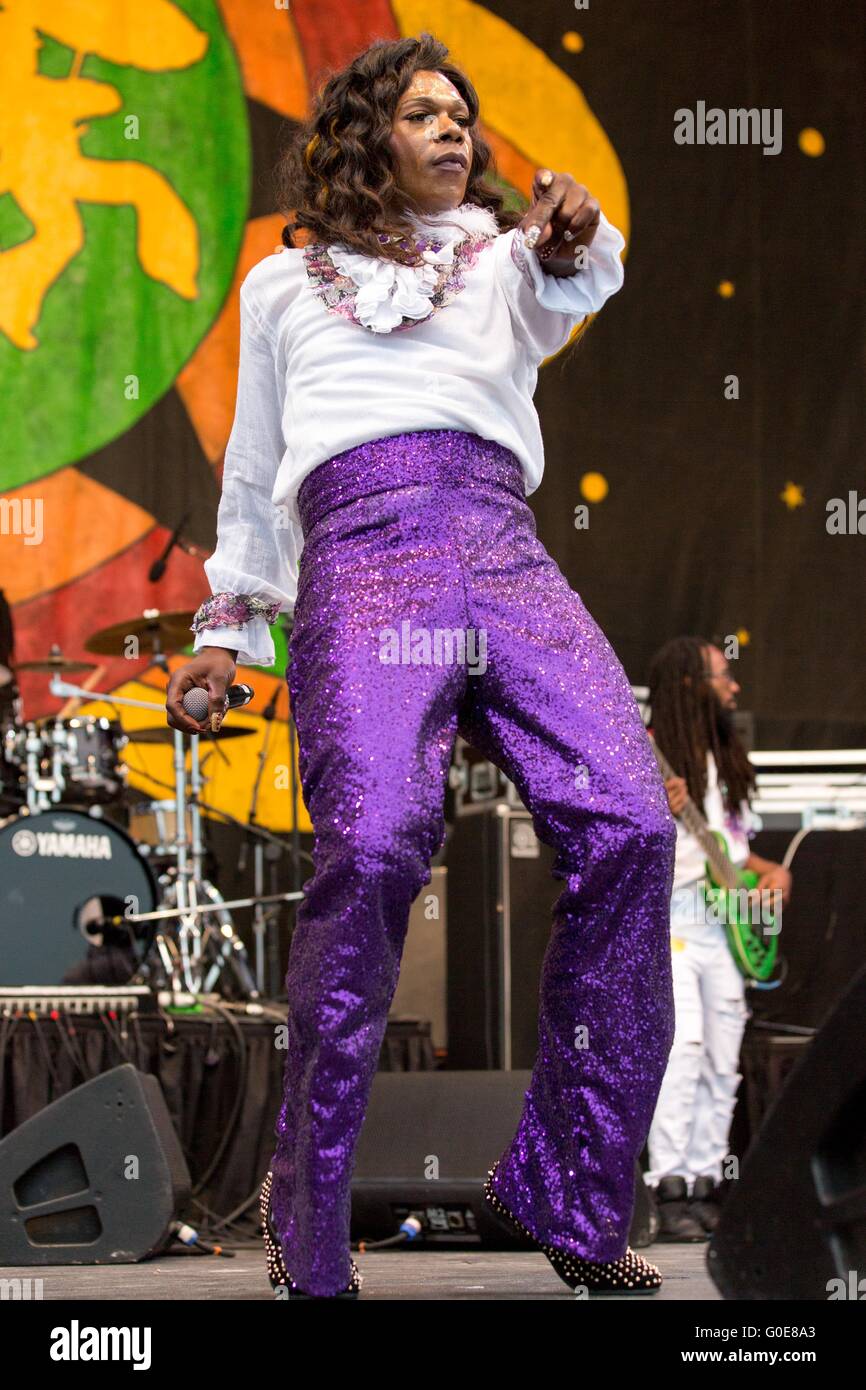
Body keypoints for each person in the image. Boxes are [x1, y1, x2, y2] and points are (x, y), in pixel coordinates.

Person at [166, 33, 677, 1299]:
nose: (453, 130)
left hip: (500, 549)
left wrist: (563, 235)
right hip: (362, 555)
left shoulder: (507, 259)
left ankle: (562, 1194)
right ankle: (309, 1217)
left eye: (463, 115)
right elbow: (251, 475)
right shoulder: (284, 290)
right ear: (365, 137)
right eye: (422, 113)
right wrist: (225, 635)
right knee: (380, 843)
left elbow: (577, 274)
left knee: (627, 822)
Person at [643, 637, 792, 1240]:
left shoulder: (725, 762)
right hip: (678, 919)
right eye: (722, 676)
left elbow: (731, 854)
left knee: (724, 1057)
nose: (733, 687)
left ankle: (706, 1182)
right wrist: (656, 800)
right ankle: (667, 1184)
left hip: (723, 928)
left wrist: (772, 872)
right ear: (687, 685)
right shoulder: (652, 755)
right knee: (685, 1048)